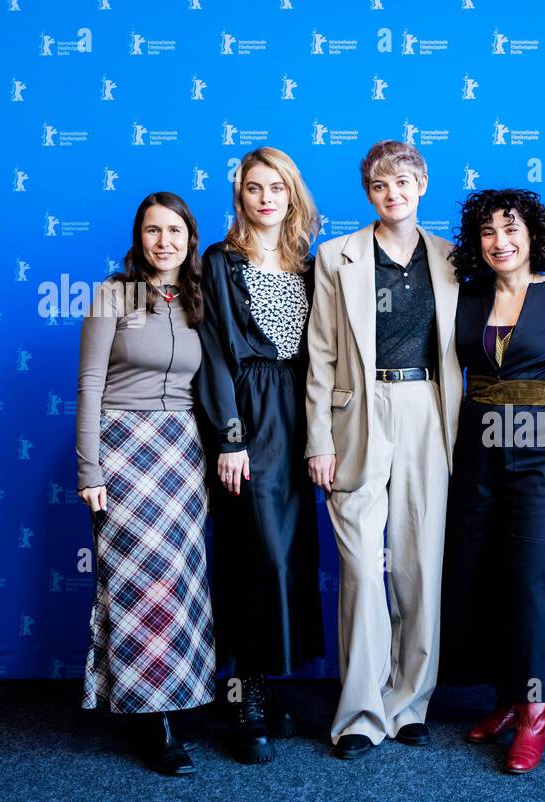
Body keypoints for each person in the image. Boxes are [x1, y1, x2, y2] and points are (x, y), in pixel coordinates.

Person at [305, 140, 462, 760]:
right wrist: (319, 439)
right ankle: (362, 712)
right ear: (367, 193)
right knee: (362, 569)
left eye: (402, 182)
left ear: (422, 183)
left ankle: (409, 702)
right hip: (358, 415)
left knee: (419, 564)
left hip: (427, 409)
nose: (391, 194)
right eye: (378, 186)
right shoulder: (335, 257)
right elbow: (319, 355)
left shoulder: (453, 258)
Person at [439, 189, 545, 774]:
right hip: (475, 448)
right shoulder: (466, 297)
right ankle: (504, 698)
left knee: (536, 578)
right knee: (484, 573)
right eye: (487, 232)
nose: (500, 242)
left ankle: (535, 712)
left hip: (539, 454)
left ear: (533, 238)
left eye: (512, 230)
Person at [77, 192, 214, 775]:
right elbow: (87, 385)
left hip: (183, 452)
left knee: (180, 583)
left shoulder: (201, 298)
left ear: (190, 237)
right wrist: (89, 468)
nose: (165, 242)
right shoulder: (113, 294)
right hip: (123, 447)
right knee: (138, 586)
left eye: (175, 231)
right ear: (139, 239)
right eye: (153, 231)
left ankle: (179, 699)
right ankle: (150, 719)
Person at [196, 147, 323, 765]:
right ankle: (243, 694)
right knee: (255, 554)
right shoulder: (220, 261)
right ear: (240, 196)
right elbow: (215, 351)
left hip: (301, 414)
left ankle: (266, 687)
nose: (266, 197)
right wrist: (229, 435)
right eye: (253, 187)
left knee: (292, 556)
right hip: (247, 411)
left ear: (292, 195)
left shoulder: (311, 263)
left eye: (277, 186)